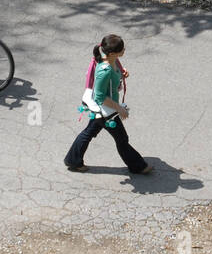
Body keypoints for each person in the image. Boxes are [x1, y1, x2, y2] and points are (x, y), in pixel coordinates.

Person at [64, 34, 153, 175]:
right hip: (106, 110)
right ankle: (138, 166)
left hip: (105, 109)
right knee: (122, 139)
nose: (124, 51)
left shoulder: (113, 61)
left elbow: (114, 77)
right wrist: (120, 109)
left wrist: (122, 74)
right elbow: (99, 96)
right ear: (111, 53)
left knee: (89, 132)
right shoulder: (104, 71)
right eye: (121, 50)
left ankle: (73, 160)